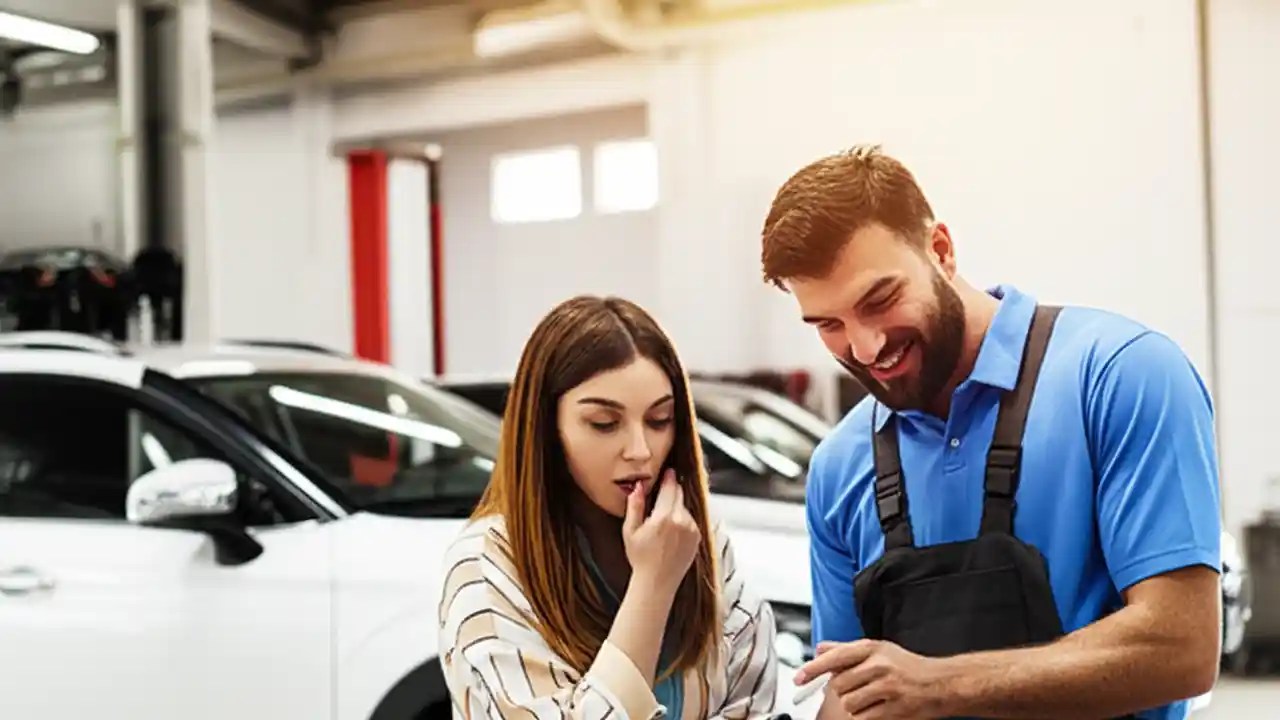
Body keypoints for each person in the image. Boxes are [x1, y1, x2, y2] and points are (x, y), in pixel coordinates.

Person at [759, 145, 1222, 719]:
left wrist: (938, 686)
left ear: (942, 251)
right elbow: (852, 696)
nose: (865, 347)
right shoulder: (839, 467)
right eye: (828, 324)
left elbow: (1182, 647)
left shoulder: (1119, 375)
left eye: (880, 300)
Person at [437, 295, 781, 720]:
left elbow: (756, 705)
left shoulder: (694, 536)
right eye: (604, 423)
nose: (640, 451)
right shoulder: (487, 564)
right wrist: (653, 585)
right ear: (547, 428)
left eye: (659, 421)